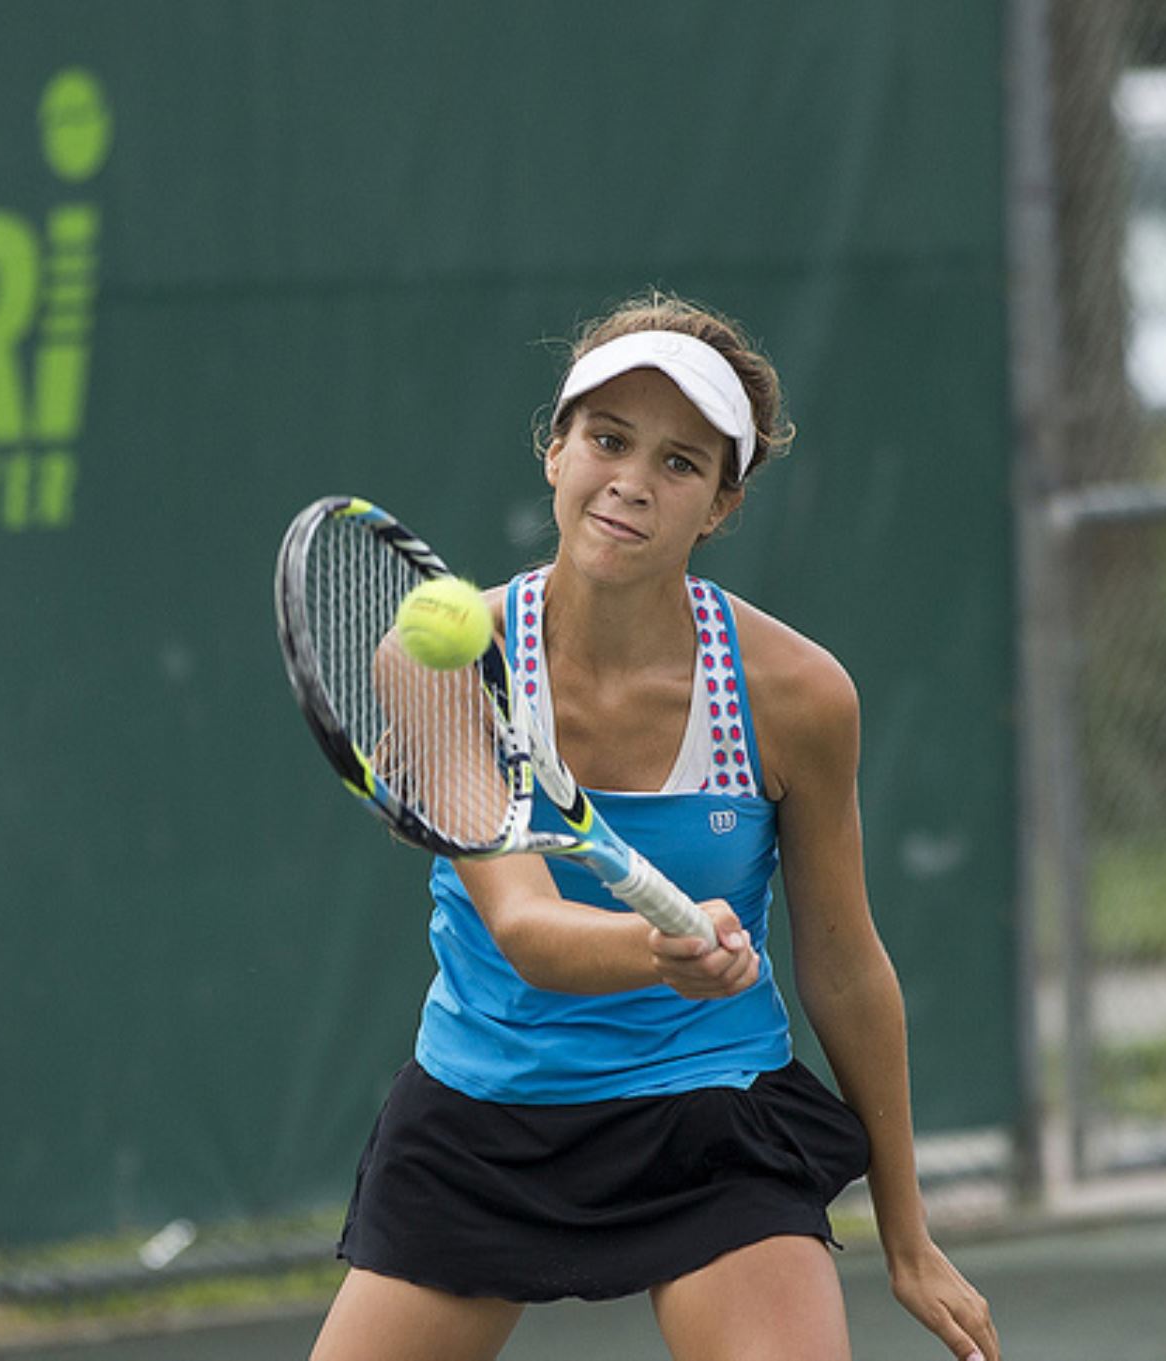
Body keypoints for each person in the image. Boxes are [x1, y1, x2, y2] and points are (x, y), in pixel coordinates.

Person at [308, 292, 999, 1361]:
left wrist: (907, 1233)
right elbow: (528, 930)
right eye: (608, 438)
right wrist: (660, 948)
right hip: (485, 1113)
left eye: (681, 463)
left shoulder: (797, 694)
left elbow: (844, 960)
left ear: (721, 503)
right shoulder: (441, 658)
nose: (632, 479)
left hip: (708, 1113)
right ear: (556, 450)